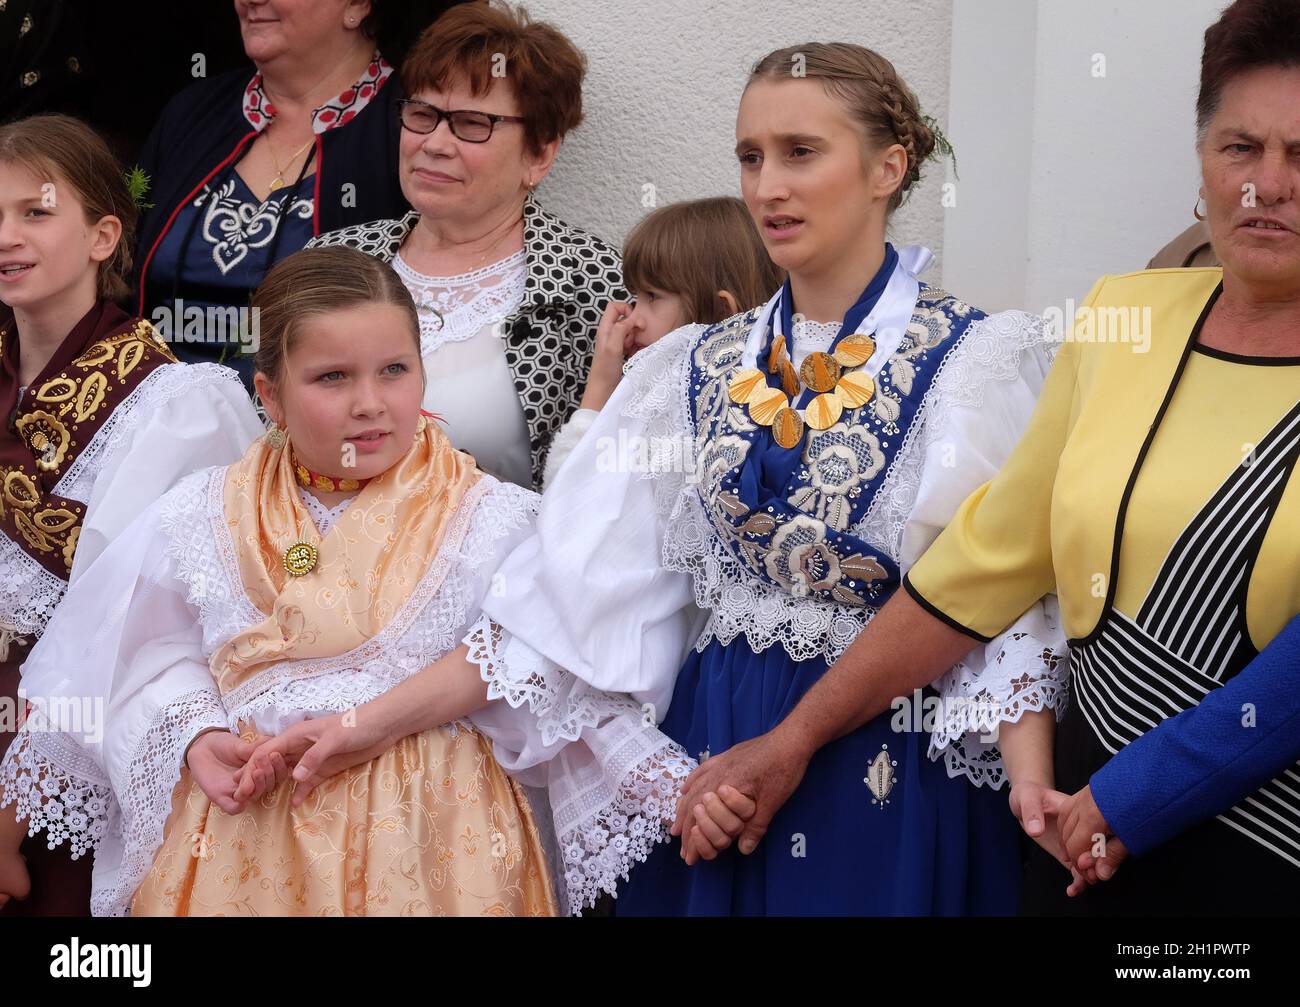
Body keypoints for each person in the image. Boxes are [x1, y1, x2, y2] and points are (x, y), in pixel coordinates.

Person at [685, 0, 1300, 917]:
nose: (1265, 184)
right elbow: (985, 563)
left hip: (1255, 831)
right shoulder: (1124, 320)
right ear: (1202, 164)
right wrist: (795, 739)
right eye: (1240, 148)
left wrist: (1130, 800)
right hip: (1078, 830)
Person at [466, 43, 1068, 915]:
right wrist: (663, 781)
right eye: (750, 157)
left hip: (889, 762)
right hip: (713, 757)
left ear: (887, 169)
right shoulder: (681, 367)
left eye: (799, 152)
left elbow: (1004, 599)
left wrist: (1030, 784)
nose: (766, 186)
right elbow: (584, 589)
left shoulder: (977, 361)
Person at [0, 246, 695, 916]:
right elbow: (144, 647)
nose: (370, 402)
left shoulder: (493, 518)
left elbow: (548, 654)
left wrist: (376, 721)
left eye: (394, 369)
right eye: (332, 377)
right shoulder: (199, 513)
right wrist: (196, 732)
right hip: (244, 834)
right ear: (268, 394)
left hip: (434, 835)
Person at [0, 114, 262, 914]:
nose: (5, 235)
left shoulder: (177, 406)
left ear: (104, 235)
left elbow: (118, 638)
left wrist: (6, 824)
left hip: (63, 754)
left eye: (35, 212)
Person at [310, 0, 625, 488]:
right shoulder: (333, 260)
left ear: (539, 154)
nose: (434, 142)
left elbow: (606, 485)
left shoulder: (592, 282)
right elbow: (271, 433)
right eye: (423, 114)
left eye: (472, 124)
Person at [133, 0, 411, 390]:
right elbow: (116, 274)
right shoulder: (192, 112)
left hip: (310, 433)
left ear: (357, 5)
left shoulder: (413, 127)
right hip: (155, 417)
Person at [543, 196, 782, 486]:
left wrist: (598, 389)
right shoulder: (651, 395)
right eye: (635, 297)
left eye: (653, 296)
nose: (633, 319)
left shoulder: (684, 429)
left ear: (722, 313)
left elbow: (566, 500)